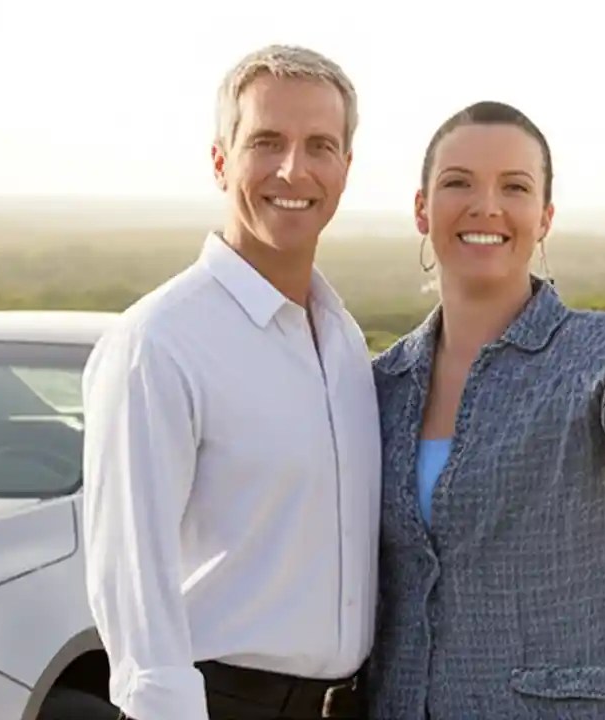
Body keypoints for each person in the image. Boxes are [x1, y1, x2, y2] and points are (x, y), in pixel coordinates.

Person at [367, 99, 605, 719]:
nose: (486, 206)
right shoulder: (380, 385)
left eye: (515, 186)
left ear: (545, 216)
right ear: (422, 209)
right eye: (458, 183)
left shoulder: (597, 349)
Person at [80, 44, 380, 720]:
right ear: (221, 160)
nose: (292, 169)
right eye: (266, 141)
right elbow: (132, 582)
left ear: (346, 169)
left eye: (319, 146)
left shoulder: (342, 340)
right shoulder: (158, 343)